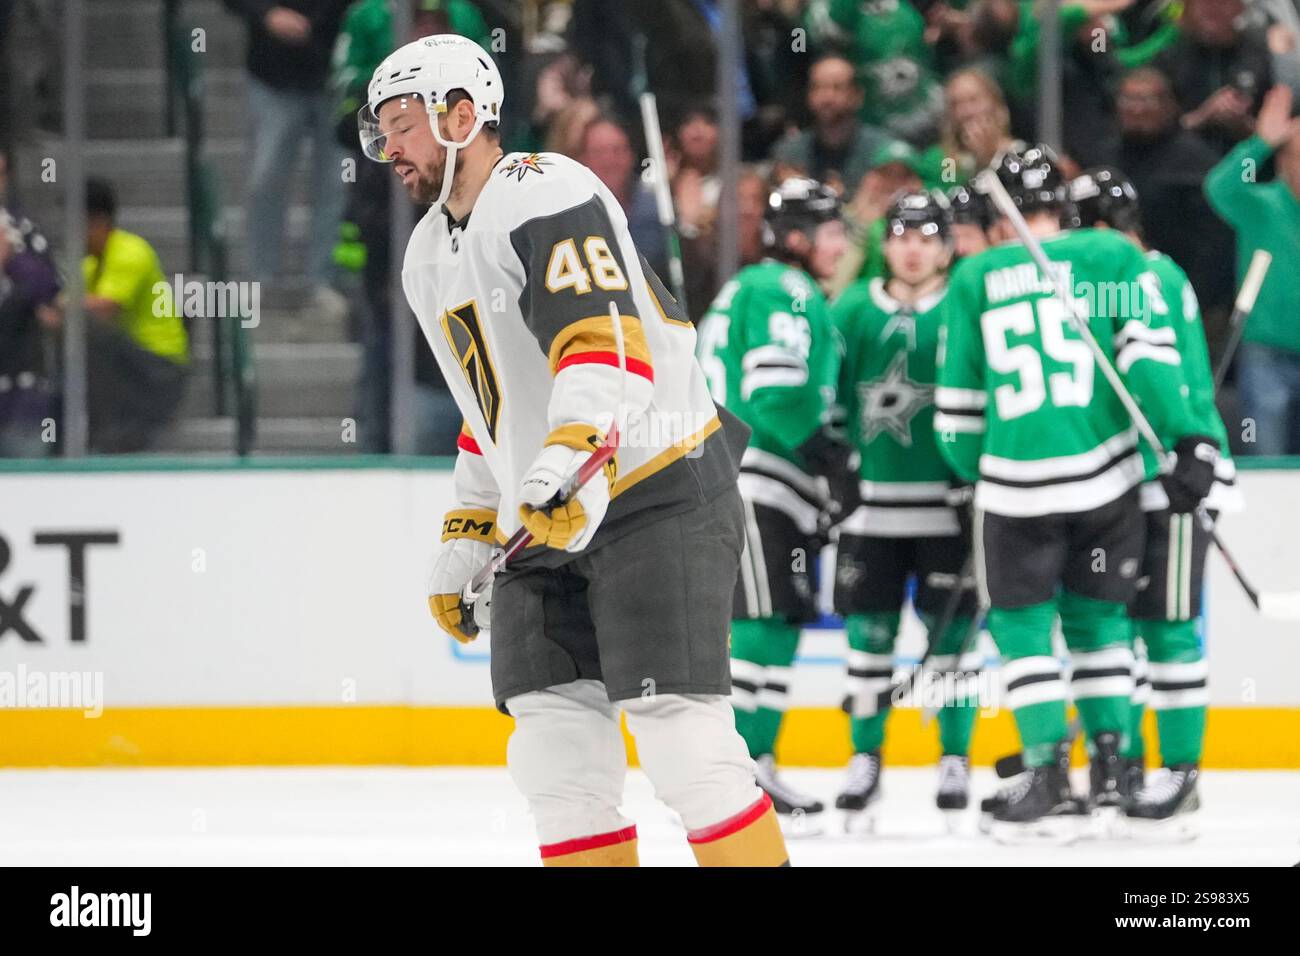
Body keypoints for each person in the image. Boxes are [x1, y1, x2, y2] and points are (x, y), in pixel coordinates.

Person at [361, 34, 786, 867]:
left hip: (655, 485)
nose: (390, 148)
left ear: (461, 115)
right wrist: (469, 523)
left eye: (403, 123)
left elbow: (603, 343)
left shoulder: (542, 187)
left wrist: (575, 455)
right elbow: (492, 408)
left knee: (685, 744)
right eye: (381, 131)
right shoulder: (427, 255)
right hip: (546, 506)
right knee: (554, 755)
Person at [936, 147, 1218, 841]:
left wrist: (986, 468)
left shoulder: (976, 274)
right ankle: (1117, 770)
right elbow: (1148, 363)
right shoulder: (1111, 257)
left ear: (1001, 215)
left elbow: (956, 416)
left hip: (1016, 489)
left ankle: (1050, 776)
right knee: (1101, 627)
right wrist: (1188, 439)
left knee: (1025, 629)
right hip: (1111, 481)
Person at [1071, 165, 1242, 833]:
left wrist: (1192, 442)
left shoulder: (1146, 276)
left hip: (1173, 473)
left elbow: (1160, 371)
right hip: (1124, 477)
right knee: (1116, 627)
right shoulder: (1121, 278)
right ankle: (1125, 762)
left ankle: (1180, 771)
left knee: (1166, 624)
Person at [694, 178, 855, 827]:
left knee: (778, 619)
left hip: (752, 478)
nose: (842, 244)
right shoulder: (782, 288)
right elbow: (777, 391)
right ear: (797, 238)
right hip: (755, 476)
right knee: (762, 620)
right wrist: (832, 457)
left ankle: (754, 763)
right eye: (832, 231)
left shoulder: (759, 288)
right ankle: (740, 772)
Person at [830, 191, 979, 828]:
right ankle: (865, 759)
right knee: (868, 640)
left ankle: (954, 758)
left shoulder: (967, 308)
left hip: (948, 510)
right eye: (901, 234)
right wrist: (835, 474)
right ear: (885, 243)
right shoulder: (853, 309)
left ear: (947, 244)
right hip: (871, 514)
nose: (913, 247)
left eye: (927, 235)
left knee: (953, 644)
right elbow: (828, 398)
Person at [223, 0, 351, 308]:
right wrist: (266, 13)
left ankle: (323, 278)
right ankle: (262, 277)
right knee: (265, 176)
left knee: (336, 182)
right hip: (273, 71)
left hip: (335, 69)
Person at [1204, 83, 1300, 455]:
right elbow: (1219, 185)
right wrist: (1259, 143)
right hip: (1268, 355)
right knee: (1267, 454)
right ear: (1283, 162)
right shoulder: (1260, 204)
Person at [77, 179, 190, 453]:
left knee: (89, 331)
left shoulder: (130, 251)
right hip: (129, 366)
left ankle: (116, 427)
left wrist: (57, 303)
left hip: (159, 367)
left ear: (98, 221)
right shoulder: (89, 264)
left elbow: (105, 308)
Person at [1115, 67, 1235, 324]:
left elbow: (1215, 247)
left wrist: (1197, 305)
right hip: (1119, 301)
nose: (1136, 109)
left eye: (1146, 100)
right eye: (1128, 99)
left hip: (1189, 304)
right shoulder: (1104, 159)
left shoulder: (1200, 164)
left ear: (1170, 105)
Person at [1154, 0, 1274, 156]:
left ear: (1240, 7)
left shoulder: (1262, 56)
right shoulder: (1169, 58)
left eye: (1222, 2)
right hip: (1184, 167)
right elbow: (1152, 130)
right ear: (1188, 8)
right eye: (1203, 2)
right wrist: (1202, 116)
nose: (1212, 9)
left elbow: (1283, 131)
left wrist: (1243, 124)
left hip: (1249, 165)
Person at [769, 52, 895, 197]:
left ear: (857, 96)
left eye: (837, 87)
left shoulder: (883, 153)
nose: (827, 97)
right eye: (818, 87)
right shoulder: (789, 154)